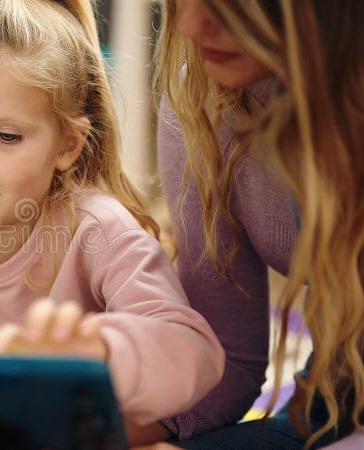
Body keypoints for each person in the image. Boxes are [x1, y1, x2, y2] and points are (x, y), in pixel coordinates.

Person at [0, 0, 225, 445]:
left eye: (6, 136)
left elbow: (195, 353)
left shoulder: (98, 230)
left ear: (68, 145)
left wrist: (99, 351)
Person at [143, 0, 364, 448]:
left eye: (226, 5)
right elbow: (229, 358)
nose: (189, 25)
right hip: (338, 389)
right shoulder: (200, 105)